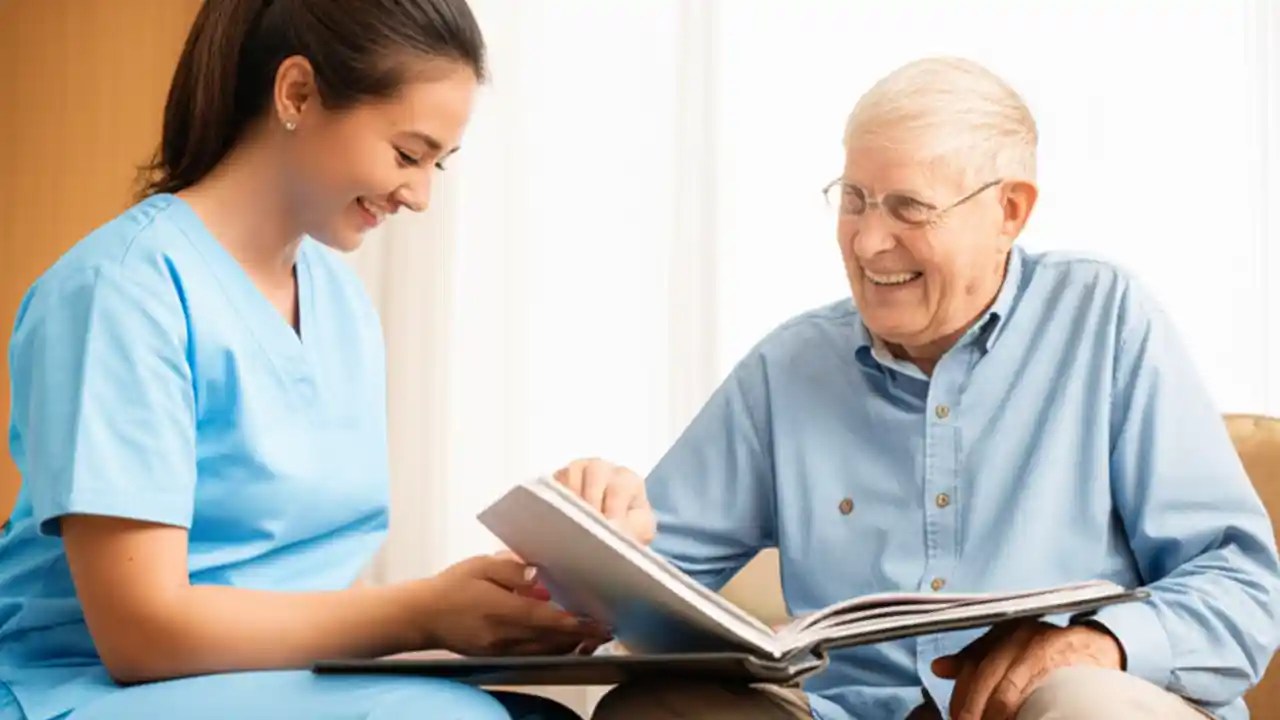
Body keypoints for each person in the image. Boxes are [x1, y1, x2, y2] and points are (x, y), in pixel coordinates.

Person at [558, 58, 1280, 719]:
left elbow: (1242, 589)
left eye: (908, 207)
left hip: (1063, 708)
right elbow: (633, 584)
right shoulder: (791, 368)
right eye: (855, 200)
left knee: (1080, 703)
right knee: (654, 709)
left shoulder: (1106, 318)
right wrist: (593, 534)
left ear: (1010, 212)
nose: (869, 242)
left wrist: (1098, 644)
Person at [0, 1, 605, 718]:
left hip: (261, 683)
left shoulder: (339, 307)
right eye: (408, 155)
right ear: (296, 94)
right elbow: (141, 636)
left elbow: (298, 583)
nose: (419, 195)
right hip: (84, 685)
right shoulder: (122, 290)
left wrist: (486, 616)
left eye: (438, 163)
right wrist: (419, 615)